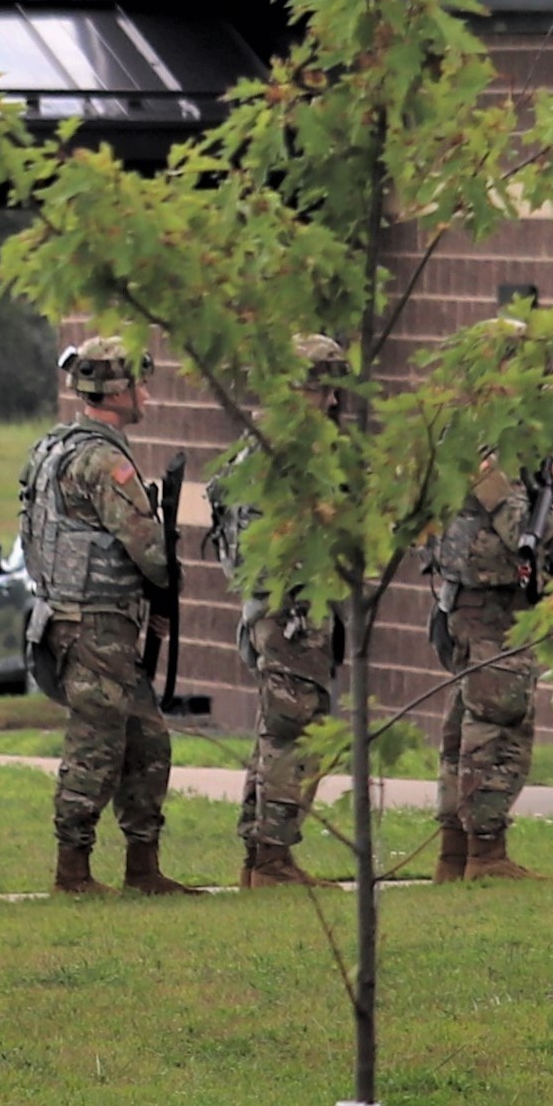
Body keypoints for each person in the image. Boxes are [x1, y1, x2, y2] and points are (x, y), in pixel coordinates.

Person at [19, 335, 190, 900]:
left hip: (76, 618)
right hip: (95, 623)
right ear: (116, 390)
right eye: (141, 383)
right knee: (96, 743)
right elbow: (146, 545)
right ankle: (72, 871)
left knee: (147, 742)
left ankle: (144, 867)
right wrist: (169, 580)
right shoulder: (103, 459)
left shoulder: (53, 448)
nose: (147, 395)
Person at [214, 334, 362, 893]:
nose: (332, 402)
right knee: (297, 735)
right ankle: (273, 860)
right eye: (324, 389)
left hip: (267, 610)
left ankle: (261, 857)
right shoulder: (294, 457)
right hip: (294, 612)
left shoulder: (254, 449)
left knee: (275, 733)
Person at [428, 443, 553, 882]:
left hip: (470, 609)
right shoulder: (495, 462)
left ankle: (455, 853)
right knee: (497, 730)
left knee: (466, 728)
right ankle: (485, 856)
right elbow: (523, 535)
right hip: (494, 614)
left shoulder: (465, 446)